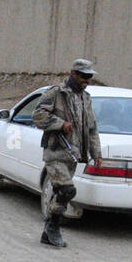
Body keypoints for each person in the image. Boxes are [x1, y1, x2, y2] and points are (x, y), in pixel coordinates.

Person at [32, 58, 101, 248]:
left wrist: (97, 153)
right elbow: (38, 115)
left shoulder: (85, 98)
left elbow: (92, 128)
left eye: (89, 77)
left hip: (73, 154)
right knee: (67, 190)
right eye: (83, 76)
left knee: (61, 192)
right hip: (55, 152)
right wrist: (60, 124)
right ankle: (52, 227)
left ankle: (49, 230)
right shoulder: (56, 93)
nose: (86, 80)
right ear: (73, 74)